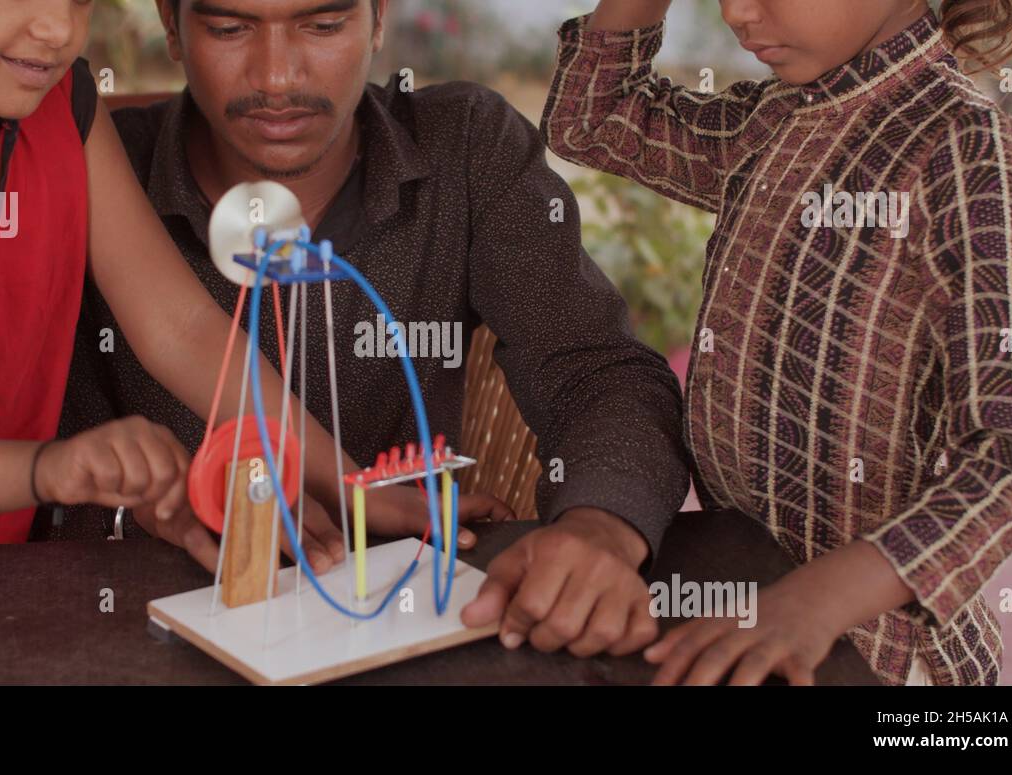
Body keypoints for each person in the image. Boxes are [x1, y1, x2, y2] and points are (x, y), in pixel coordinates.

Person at [54, 0, 693, 660]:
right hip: (130, 639)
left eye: (324, 25)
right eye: (228, 27)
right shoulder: (89, 174)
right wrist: (148, 511)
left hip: (413, 634)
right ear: (171, 23)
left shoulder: (465, 149)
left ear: (379, 18)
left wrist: (601, 525)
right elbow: (45, 472)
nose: (276, 78)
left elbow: (597, 368)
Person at [0, 0, 370, 684]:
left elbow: (179, 327)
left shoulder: (63, 109)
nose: (58, 29)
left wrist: (350, 483)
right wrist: (47, 468)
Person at [543, 0, 1012, 685]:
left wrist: (817, 601)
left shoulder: (970, 154)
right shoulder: (773, 120)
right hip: (747, 600)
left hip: (881, 658)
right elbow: (593, 120)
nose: (736, 12)